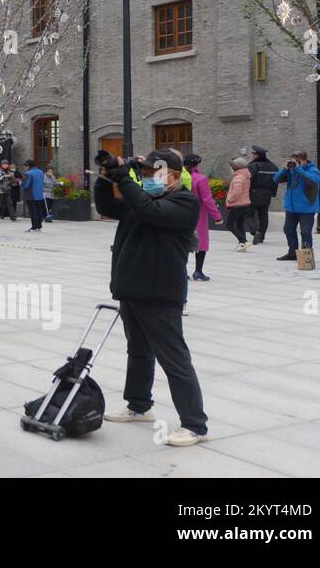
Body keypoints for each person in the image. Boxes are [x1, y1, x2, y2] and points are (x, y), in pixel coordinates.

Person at [93, 149, 209, 446]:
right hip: (132, 289)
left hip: (160, 293)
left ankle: (195, 424)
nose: (146, 178)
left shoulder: (184, 201)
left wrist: (126, 179)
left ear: (170, 174)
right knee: (139, 352)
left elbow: (150, 212)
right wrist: (107, 176)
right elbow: (107, 206)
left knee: (175, 359)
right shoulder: (143, 199)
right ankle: (138, 405)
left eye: (150, 173)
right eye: (143, 173)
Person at [274, 150, 320, 261]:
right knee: (288, 229)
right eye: (292, 161)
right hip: (291, 207)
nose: (293, 163)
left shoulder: (313, 169)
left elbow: (314, 180)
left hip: (307, 208)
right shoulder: (291, 170)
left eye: (296, 161)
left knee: (305, 232)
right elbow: (276, 179)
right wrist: (285, 169)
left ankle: (305, 257)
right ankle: (292, 253)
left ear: (303, 160)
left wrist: (298, 169)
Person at [183, 155, 223, 282]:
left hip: (182, 213)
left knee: (182, 242)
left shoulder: (180, 177)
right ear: (197, 165)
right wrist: (217, 216)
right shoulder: (201, 178)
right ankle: (198, 271)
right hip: (198, 214)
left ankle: (182, 271)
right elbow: (207, 199)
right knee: (201, 243)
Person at [246, 146, 279, 245]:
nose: (252, 156)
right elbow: (276, 181)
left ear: (256, 155)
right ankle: (261, 237)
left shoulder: (253, 166)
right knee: (263, 216)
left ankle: (255, 231)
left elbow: (248, 180)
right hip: (267, 195)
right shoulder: (273, 166)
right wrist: (272, 193)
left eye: (253, 154)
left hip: (253, 194)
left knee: (248, 214)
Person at [225, 157, 253, 251]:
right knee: (240, 223)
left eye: (232, 166)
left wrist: (229, 199)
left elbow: (236, 192)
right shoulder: (245, 176)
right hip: (245, 204)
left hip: (237, 205)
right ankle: (242, 245)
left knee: (229, 224)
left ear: (237, 167)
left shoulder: (238, 177)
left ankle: (243, 240)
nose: (231, 168)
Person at [22, 160, 46, 232]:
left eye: (25, 166)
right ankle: (39, 226)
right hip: (40, 195)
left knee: (33, 211)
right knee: (39, 211)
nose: (25, 168)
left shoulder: (29, 173)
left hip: (31, 195)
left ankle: (34, 227)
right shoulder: (41, 172)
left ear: (28, 166)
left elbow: (26, 185)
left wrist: (21, 183)